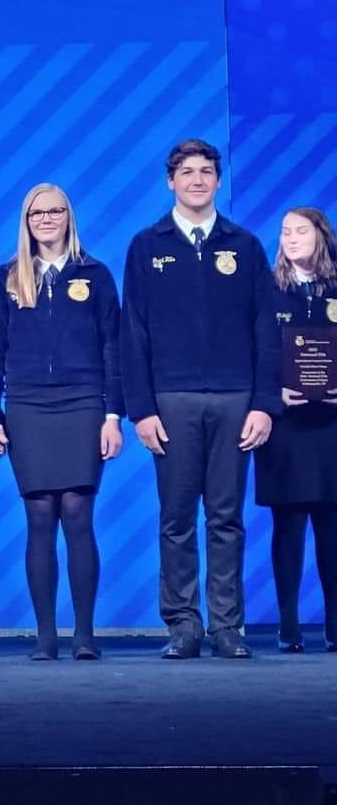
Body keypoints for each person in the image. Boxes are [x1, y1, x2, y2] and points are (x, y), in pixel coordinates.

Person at [121, 139, 281, 659]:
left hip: (235, 399)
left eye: (206, 172)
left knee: (226, 516)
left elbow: (265, 331)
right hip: (171, 401)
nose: (196, 180)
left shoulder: (246, 246)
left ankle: (227, 626)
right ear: (170, 180)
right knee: (175, 516)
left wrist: (262, 404)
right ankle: (183, 624)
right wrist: (141, 409)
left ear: (218, 181)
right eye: (186, 172)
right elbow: (133, 334)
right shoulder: (147, 247)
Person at [0, 185, 123, 660]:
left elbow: (111, 348)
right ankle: (46, 635)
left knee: (78, 514)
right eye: (37, 212)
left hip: (83, 403)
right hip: (27, 405)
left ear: (68, 216)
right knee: (40, 517)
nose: (46, 219)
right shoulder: (6, 280)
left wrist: (112, 414)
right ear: (26, 220)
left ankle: (84, 634)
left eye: (55, 211)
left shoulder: (95, 275)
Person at [254, 207, 337, 652]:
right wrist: (272, 395)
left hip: (332, 427)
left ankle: (335, 626)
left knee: (332, 525)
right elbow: (251, 352)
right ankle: (288, 626)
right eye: (284, 231)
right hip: (285, 425)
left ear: (321, 235)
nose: (290, 238)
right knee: (288, 524)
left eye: (300, 230)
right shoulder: (267, 290)